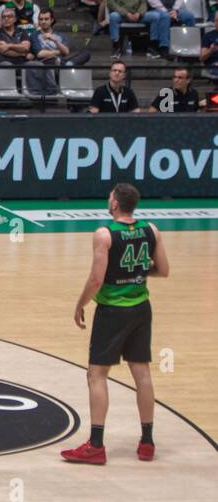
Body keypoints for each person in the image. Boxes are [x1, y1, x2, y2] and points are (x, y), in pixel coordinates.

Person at [62, 184, 169, 465]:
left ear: (115, 204)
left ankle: (96, 445)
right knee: (142, 373)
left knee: (97, 374)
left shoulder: (104, 234)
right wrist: (135, 273)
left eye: (110, 197)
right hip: (141, 308)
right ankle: (147, 442)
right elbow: (164, 270)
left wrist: (80, 304)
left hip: (112, 311)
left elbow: (97, 279)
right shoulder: (152, 230)